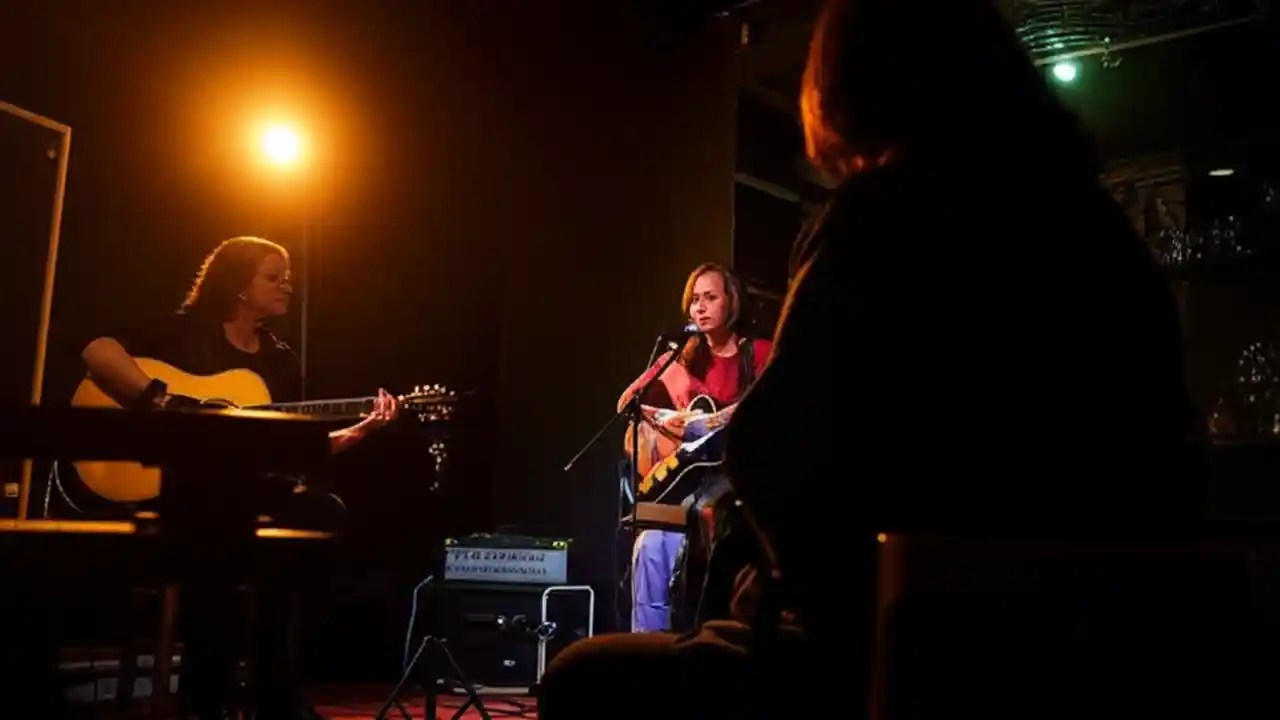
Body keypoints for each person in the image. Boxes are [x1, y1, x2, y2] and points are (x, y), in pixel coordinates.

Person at [539, 1, 1204, 718]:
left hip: (892, 639)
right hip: (1095, 653)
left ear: (847, 87)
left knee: (584, 679)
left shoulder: (881, 215)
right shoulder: (1104, 236)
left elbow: (771, 452)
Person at [80, 236, 400, 719]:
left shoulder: (279, 361)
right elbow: (97, 351)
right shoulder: (183, 333)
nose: (287, 286)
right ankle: (209, 693)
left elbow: (290, 447)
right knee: (225, 538)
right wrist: (165, 404)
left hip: (251, 490)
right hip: (183, 487)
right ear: (237, 285)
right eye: (273, 277)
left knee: (321, 516)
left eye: (287, 276)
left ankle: (276, 685)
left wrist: (355, 433)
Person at [616, 262, 770, 632]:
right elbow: (626, 403)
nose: (699, 307)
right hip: (688, 482)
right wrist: (668, 420)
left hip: (735, 480)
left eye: (710, 297)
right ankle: (648, 652)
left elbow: (777, 403)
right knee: (649, 546)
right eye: (694, 299)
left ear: (731, 302)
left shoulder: (760, 353)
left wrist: (724, 417)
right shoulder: (680, 358)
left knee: (712, 519)